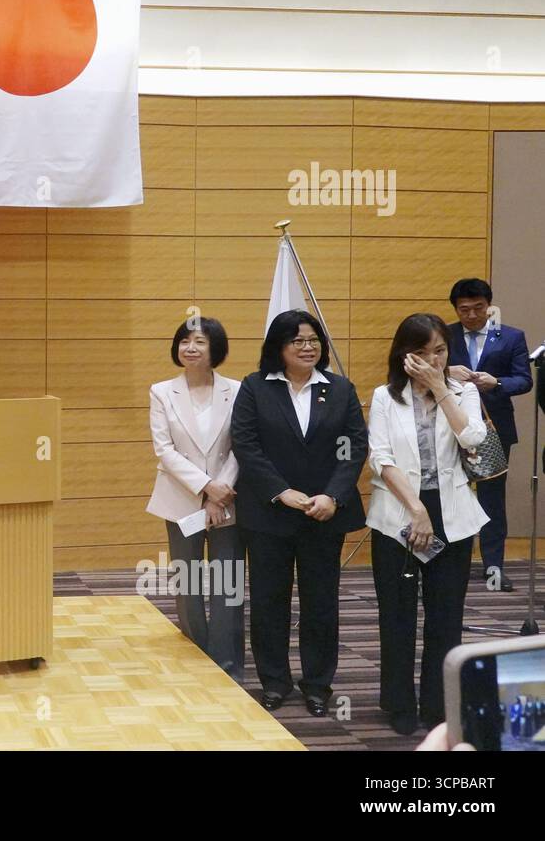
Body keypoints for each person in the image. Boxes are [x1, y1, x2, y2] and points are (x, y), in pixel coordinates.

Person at [230, 310, 368, 717]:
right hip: (269, 515)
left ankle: (317, 684)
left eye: (314, 340)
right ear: (279, 347)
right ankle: (274, 680)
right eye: (298, 341)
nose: (308, 347)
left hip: (323, 514)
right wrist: (280, 492)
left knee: (320, 601)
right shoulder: (256, 387)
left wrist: (334, 496)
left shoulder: (340, 389)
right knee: (270, 601)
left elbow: (353, 448)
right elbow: (246, 444)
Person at [366, 314, 488, 734]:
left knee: (445, 615)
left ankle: (438, 705)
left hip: (453, 513)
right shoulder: (385, 396)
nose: (432, 359)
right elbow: (380, 459)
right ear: (404, 354)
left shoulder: (463, 391)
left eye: (440, 351)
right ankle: (398, 703)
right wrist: (417, 509)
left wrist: (441, 388)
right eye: (422, 353)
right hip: (398, 511)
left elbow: (473, 439)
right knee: (397, 615)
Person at [145, 317, 244, 681]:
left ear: (215, 347)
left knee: (227, 579)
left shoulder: (237, 389)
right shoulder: (161, 391)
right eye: (184, 341)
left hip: (228, 496)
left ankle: (228, 662)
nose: (190, 348)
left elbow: (241, 446)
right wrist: (206, 487)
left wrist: (219, 492)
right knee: (187, 580)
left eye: (199, 341)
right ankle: (195, 655)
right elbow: (165, 450)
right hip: (181, 498)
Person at [446, 278, 532, 591]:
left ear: (489, 305)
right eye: (464, 309)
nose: (471, 315)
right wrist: (446, 372)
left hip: (494, 429)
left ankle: (494, 567)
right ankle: (453, 563)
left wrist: (496, 383)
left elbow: (524, 381)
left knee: (492, 500)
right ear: (455, 309)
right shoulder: (443, 333)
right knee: (453, 495)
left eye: (478, 308)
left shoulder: (510, 336)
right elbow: (423, 370)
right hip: (450, 428)